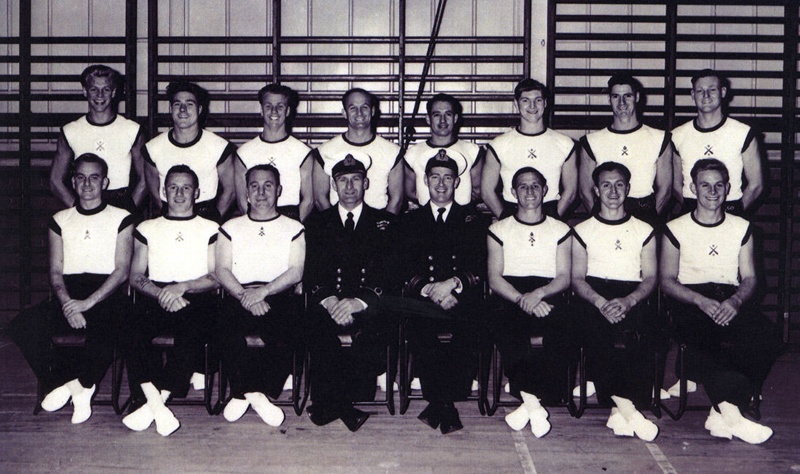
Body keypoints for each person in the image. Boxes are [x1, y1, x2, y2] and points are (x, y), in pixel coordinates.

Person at [660, 158, 783, 444]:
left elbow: (750, 278)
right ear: (693, 188)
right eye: (705, 185)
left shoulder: (742, 227)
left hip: (729, 297)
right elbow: (667, 280)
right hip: (689, 300)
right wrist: (700, 301)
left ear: (728, 189)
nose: (712, 191)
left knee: (765, 334)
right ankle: (731, 412)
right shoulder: (675, 228)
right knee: (703, 339)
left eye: (719, 185)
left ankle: (723, 410)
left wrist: (735, 302)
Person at [8, 154, 134, 424]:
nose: (87, 183)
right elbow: (55, 271)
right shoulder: (60, 219)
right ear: (73, 182)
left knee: (110, 324)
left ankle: (79, 385)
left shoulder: (122, 218)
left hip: (105, 292)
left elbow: (122, 271)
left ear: (105, 182)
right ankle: (67, 384)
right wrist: (68, 303)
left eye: (94, 177)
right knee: (22, 324)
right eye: (80, 177)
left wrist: (87, 303)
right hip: (69, 291)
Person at [393, 150, 488, 434]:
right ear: (425, 180)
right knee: (420, 330)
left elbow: (481, 264)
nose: (442, 184)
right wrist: (427, 288)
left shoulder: (473, 219)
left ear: (457, 182)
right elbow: (400, 267)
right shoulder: (409, 221)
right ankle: (445, 402)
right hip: (423, 297)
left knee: (470, 327)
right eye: (435, 177)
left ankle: (439, 400)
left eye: (448, 178)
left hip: (460, 296)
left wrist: (453, 285)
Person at [121, 165, 220, 437]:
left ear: (197, 192)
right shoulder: (147, 227)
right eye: (173, 187)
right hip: (156, 294)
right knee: (130, 325)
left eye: (186, 187)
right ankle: (156, 403)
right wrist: (162, 293)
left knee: (195, 327)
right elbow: (136, 275)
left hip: (195, 296)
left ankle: (156, 401)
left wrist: (183, 288)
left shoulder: (211, 228)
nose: (179, 193)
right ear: (163, 191)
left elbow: (216, 277)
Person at [303, 154, 400, 432]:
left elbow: (391, 273)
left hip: (367, 303)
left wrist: (359, 302)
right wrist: (331, 300)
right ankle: (344, 405)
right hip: (329, 303)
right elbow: (311, 270)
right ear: (333, 185)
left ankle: (331, 402)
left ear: (366, 183)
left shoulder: (385, 224)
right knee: (315, 326)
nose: (349, 186)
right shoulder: (317, 224)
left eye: (355, 179)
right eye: (342, 180)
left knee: (378, 328)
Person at [571, 161, 661, 442]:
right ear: (596, 190)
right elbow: (576, 278)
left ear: (628, 189)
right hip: (594, 294)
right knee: (596, 334)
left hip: (631, 295)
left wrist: (630, 301)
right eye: (606, 185)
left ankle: (619, 408)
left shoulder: (644, 229)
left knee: (648, 331)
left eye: (619, 184)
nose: (613, 190)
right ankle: (628, 410)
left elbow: (650, 278)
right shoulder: (582, 230)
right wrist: (600, 302)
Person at [215, 164, 305, 428]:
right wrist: (245, 295)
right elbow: (221, 269)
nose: (262, 192)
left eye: (268, 185)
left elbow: (296, 271)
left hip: (277, 293)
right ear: (246, 192)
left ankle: (248, 391)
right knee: (222, 327)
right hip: (238, 292)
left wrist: (263, 292)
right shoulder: (230, 227)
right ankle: (255, 395)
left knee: (289, 327)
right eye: (254, 185)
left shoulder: (294, 227)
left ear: (278, 190)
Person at [487, 166, 572, 438]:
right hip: (511, 293)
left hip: (548, 291)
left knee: (564, 328)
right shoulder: (498, 228)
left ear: (545, 190)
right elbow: (494, 278)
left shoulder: (561, 228)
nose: (530, 191)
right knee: (509, 329)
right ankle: (535, 403)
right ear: (512, 193)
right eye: (523, 186)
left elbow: (564, 276)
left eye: (536, 185)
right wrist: (522, 298)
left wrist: (539, 295)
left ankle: (530, 403)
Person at [49, 65, 146, 213]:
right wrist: (78, 210)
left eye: (106, 89)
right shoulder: (71, 131)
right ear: (84, 91)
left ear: (113, 92)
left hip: (119, 203)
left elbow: (145, 180)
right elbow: (55, 181)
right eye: (94, 89)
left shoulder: (132, 130)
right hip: (84, 201)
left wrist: (128, 213)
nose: (100, 95)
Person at [578, 73, 672, 223]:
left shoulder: (660, 138)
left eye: (627, 96)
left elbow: (665, 190)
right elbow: (585, 192)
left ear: (637, 97)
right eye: (616, 96)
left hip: (645, 213)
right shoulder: (591, 141)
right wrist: (603, 219)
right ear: (609, 99)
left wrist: (649, 222)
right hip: (606, 214)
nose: (622, 102)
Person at [482, 79, 577, 219]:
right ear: (516, 104)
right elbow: (487, 191)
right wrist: (506, 219)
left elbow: (571, 191)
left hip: (550, 213)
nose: (532, 106)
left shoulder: (565, 143)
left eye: (538, 100)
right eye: (525, 100)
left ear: (545, 103)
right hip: (512, 212)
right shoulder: (499, 144)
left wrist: (554, 219)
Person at [672, 69, 763, 215]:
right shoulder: (677, 135)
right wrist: (699, 213)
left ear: (723, 92)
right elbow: (676, 185)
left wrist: (733, 214)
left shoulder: (743, 132)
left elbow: (756, 185)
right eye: (700, 90)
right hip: (691, 212)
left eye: (712, 89)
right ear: (692, 95)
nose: (706, 95)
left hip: (730, 210)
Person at [143, 81, 236, 222]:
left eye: (189, 104)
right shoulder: (152, 148)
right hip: (169, 218)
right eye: (177, 104)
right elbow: (155, 193)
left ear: (199, 110)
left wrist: (212, 222)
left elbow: (230, 191)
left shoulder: (219, 147)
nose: (182, 110)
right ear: (171, 109)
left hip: (206, 217)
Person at [311, 88, 404, 214]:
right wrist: (334, 227)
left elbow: (396, 200)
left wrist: (383, 228)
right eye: (353, 108)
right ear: (344, 113)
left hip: (377, 227)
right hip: (338, 226)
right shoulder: (324, 151)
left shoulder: (393, 152)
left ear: (372, 111)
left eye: (364, 107)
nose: (359, 113)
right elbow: (320, 199)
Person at [235, 84, 313, 221]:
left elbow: (308, 200)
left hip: (290, 218)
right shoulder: (244, 153)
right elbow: (242, 200)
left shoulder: (302, 152)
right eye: (268, 106)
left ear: (288, 111)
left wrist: (293, 227)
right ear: (261, 110)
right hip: (254, 218)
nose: (274, 111)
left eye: (280, 106)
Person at [404, 93, 484, 208]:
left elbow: (478, 190)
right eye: (437, 115)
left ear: (455, 118)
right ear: (428, 118)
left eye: (448, 114)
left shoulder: (472, 151)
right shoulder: (412, 153)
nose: (443, 120)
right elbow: (410, 191)